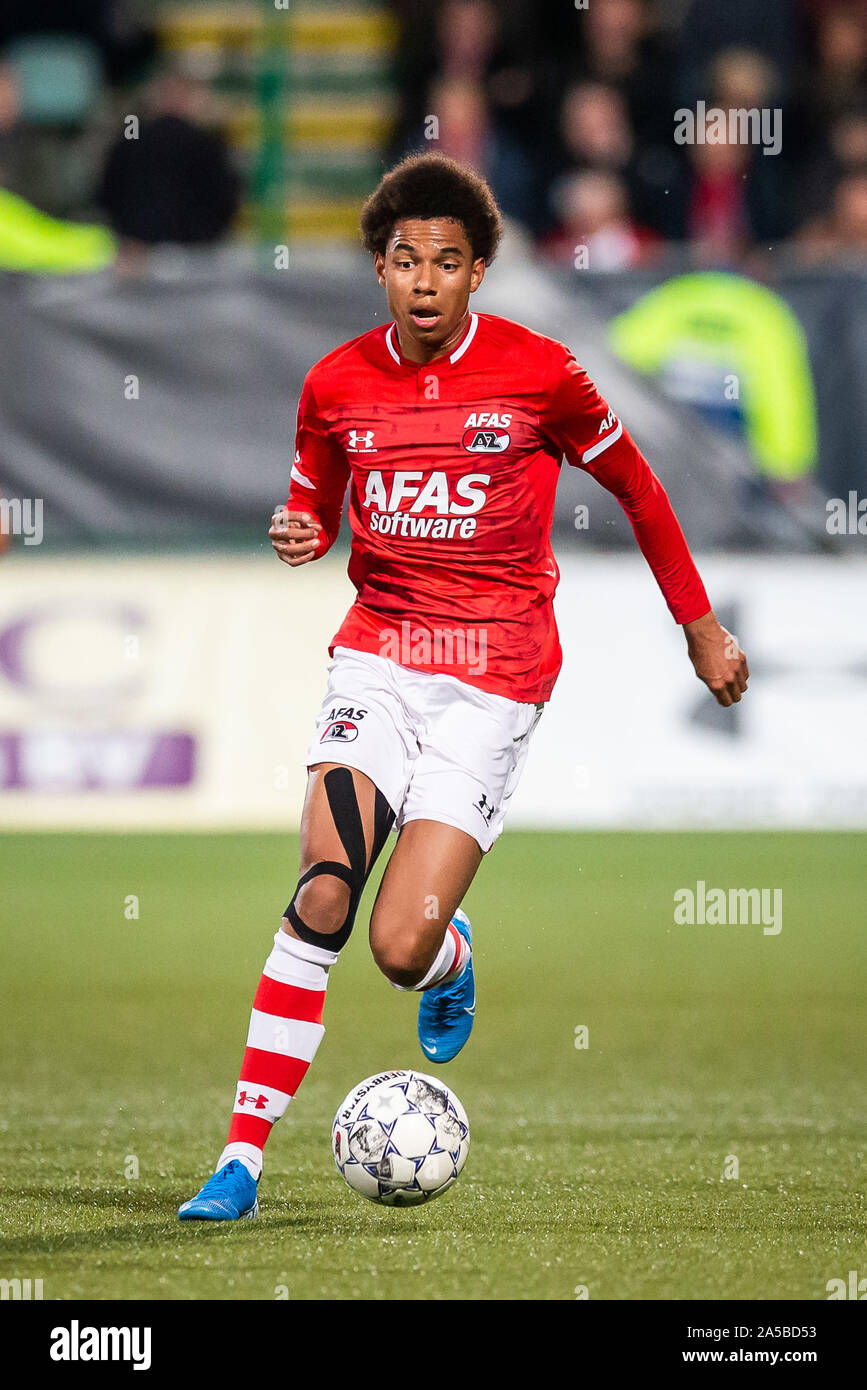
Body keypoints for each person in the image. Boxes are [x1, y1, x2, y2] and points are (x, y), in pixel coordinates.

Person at [178, 153, 748, 1222]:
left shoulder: (541, 375)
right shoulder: (336, 383)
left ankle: (446, 958)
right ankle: (242, 1159)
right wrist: (304, 533)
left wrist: (700, 624)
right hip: (380, 658)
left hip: (494, 677)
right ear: (380, 270)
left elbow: (639, 484)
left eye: (447, 261)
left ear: (480, 271)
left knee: (396, 945)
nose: (425, 280)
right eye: (404, 261)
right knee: (324, 888)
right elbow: (315, 508)